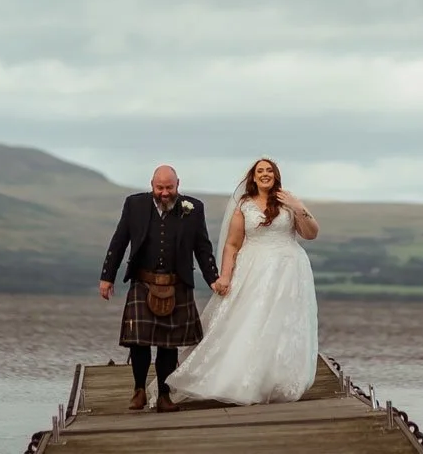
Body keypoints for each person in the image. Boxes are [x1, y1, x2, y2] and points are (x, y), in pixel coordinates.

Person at [166, 156, 320, 407]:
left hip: (289, 271)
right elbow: (232, 244)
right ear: (253, 177)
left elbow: (311, 233)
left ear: (276, 175)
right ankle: (243, 379)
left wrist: (297, 204)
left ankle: (277, 380)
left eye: (269, 170)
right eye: (260, 171)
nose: (265, 174)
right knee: (252, 320)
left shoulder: (287, 201)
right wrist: (225, 275)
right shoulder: (245, 206)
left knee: (284, 324)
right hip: (254, 270)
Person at [98, 164, 221, 412]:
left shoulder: (193, 208)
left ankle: (164, 395)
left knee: (169, 344)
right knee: (139, 342)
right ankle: (139, 390)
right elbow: (119, 240)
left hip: (177, 284)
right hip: (143, 282)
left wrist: (214, 279)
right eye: (160, 187)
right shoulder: (135, 205)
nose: (165, 193)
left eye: (169, 187)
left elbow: (203, 247)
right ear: (151, 185)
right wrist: (107, 276)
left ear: (178, 185)